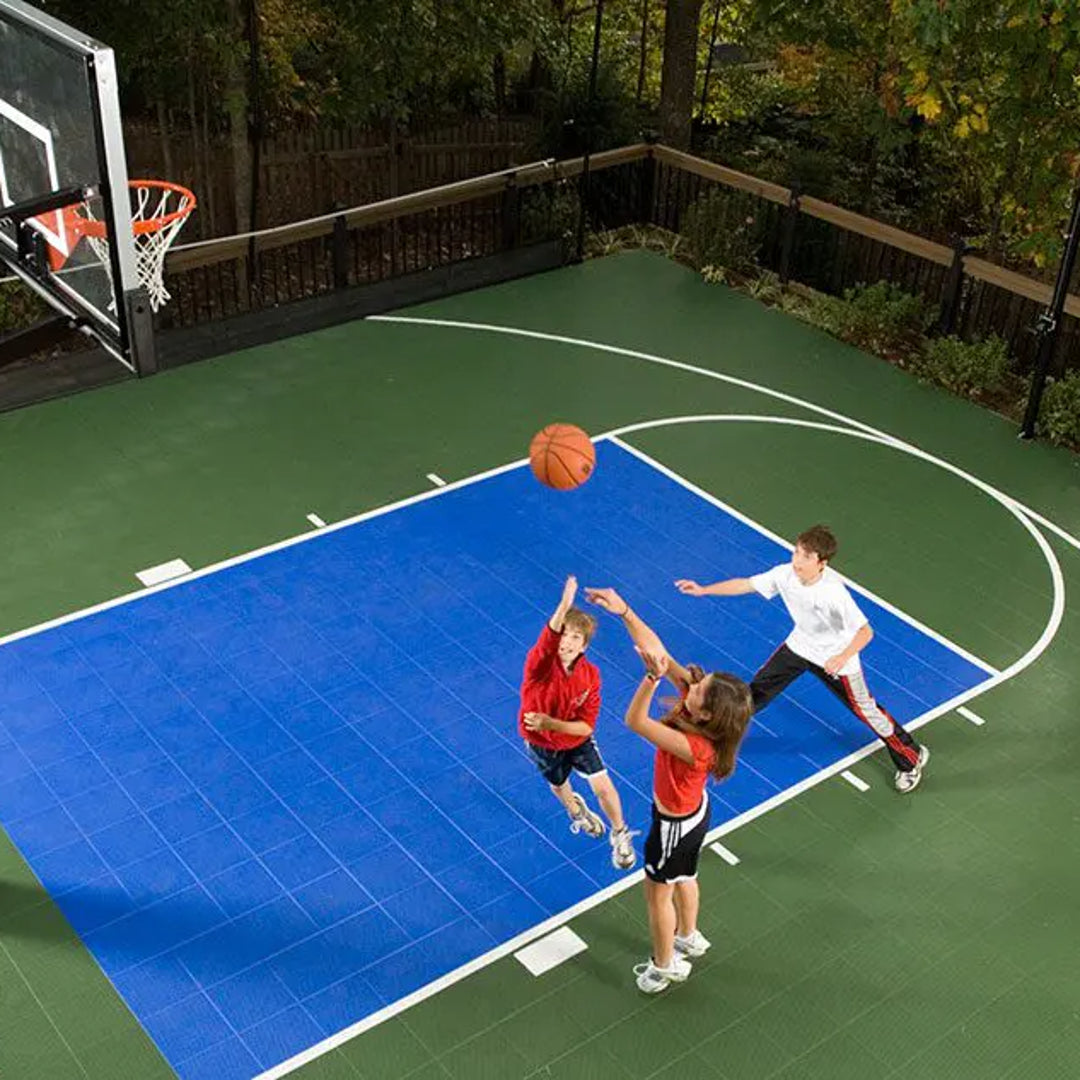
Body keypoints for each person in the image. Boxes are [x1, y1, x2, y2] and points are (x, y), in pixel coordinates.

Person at [585, 586, 753, 994]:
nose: (691, 682)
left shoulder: (696, 748)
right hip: (694, 815)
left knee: (657, 895)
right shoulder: (700, 708)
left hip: (674, 824)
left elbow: (635, 721)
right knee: (686, 875)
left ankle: (664, 966)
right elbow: (658, 649)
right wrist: (624, 609)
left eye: (698, 688)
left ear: (707, 712)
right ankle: (689, 936)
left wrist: (650, 679)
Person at [675, 523, 929, 793]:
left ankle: (911, 757)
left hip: (836, 660)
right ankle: (714, 737)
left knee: (867, 712)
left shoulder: (834, 593)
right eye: (796, 552)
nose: (797, 561)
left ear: (822, 563)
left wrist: (841, 657)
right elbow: (746, 584)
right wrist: (705, 590)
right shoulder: (785, 574)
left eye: (806, 557)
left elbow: (866, 633)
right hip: (800, 646)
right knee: (751, 696)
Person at [519, 575, 636, 870]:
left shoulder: (591, 676)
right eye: (564, 635)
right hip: (541, 743)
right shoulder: (539, 664)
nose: (566, 642)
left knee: (603, 787)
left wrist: (551, 723)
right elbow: (548, 637)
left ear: (583, 646)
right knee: (559, 785)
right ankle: (576, 811)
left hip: (573, 737)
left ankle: (620, 832)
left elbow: (586, 727)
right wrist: (565, 603)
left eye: (575, 638)